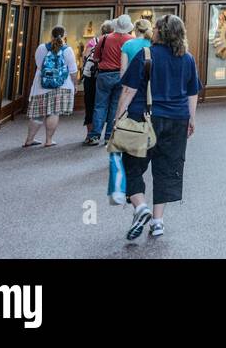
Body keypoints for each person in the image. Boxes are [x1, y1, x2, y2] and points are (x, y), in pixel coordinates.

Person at [116, 14, 201, 241]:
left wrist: (117, 119)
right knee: (166, 170)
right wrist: (191, 119)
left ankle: (140, 207)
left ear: (160, 33)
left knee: (130, 166)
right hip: (177, 121)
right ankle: (158, 221)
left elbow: (128, 90)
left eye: (155, 29)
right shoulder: (188, 59)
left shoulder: (146, 55)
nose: (152, 32)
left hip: (144, 119)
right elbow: (193, 92)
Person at [23, 26, 79, 148]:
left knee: (37, 114)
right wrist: (75, 84)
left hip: (41, 84)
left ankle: (29, 139)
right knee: (53, 112)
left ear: (51, 35)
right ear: (64, 36)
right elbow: (73, 70)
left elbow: (38, 64)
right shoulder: (67, 50)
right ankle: (48, 140)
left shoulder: (42, 48)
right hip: (61, 85)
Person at [88, 14, 133, 145]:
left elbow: (96, 58)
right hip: (121, 75)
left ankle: (95, 135)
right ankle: (109, 136)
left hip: (104, 74)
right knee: (115, 105)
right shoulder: (131, 39)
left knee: (100, 105)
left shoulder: (104, 38)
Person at [81, 22, 109, 143]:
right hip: (105, 74)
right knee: (105, 104)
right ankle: (107, 134)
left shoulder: (94, 40)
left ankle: (90, 134)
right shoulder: (113, 41)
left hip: (90, 76)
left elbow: (85, 57)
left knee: (90, 103)